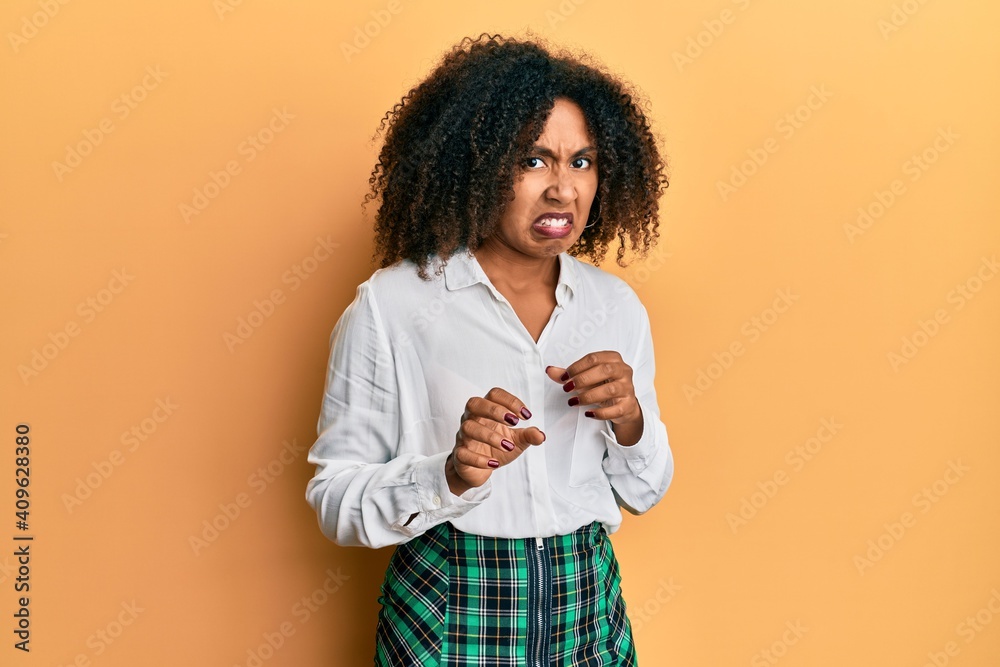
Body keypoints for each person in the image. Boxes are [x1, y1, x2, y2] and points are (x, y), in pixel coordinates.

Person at [306, 33, 674, 666]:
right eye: (533, 160)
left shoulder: (616, 309)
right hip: (448, 601)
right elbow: (335, 503)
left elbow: (645, 491)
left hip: (585, 600)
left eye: (581, 161)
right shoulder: (392, 306)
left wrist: (633, 420)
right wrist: (449, 474)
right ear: (472, 165)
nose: (563, 189)